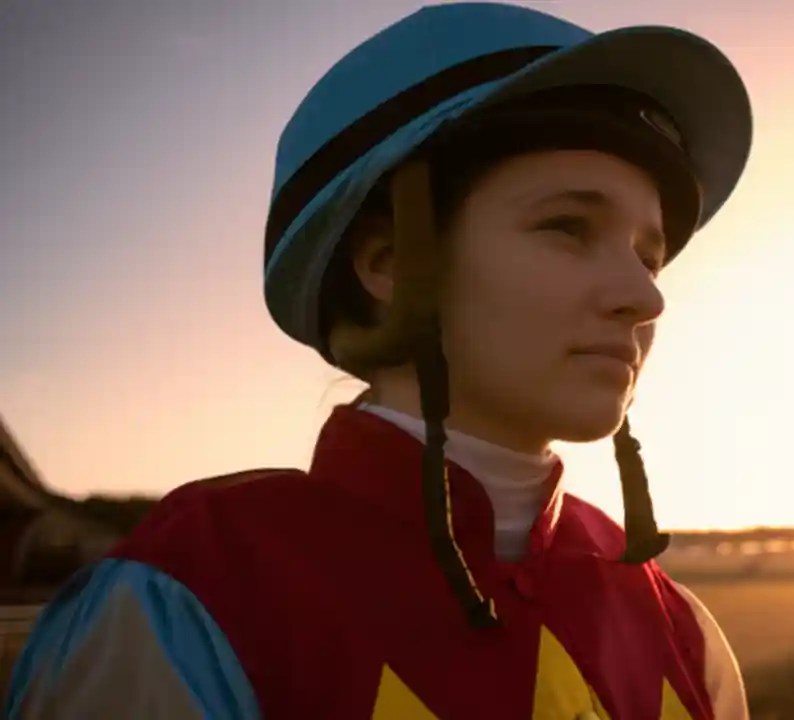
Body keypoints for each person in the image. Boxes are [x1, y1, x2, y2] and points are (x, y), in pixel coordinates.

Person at [5, 3, 753, 718]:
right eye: (566, 226)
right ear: (391, 263)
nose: (642, 298)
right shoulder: (189, 594)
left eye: (649, 258)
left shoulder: (679, 622)